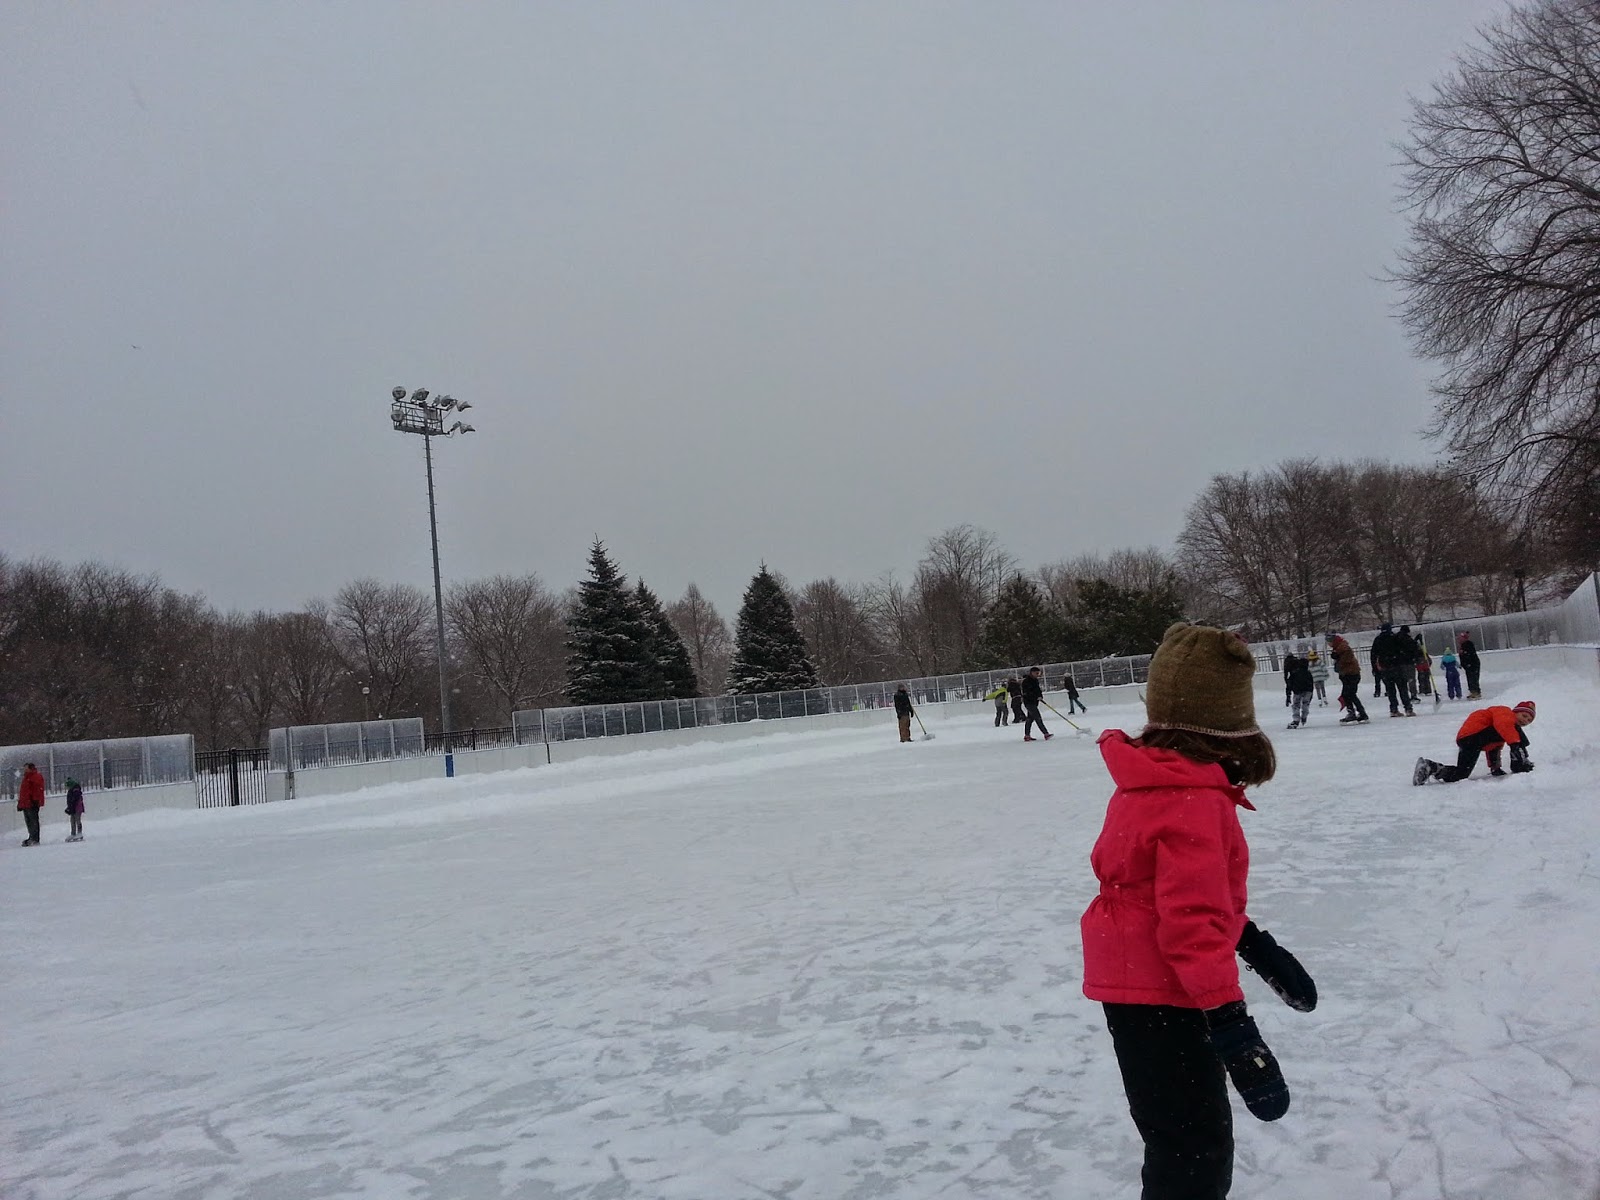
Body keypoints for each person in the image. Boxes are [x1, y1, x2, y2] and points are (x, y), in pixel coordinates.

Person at [1081, 622, 1314, 1199]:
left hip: (1133, 985)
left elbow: (1161, 890)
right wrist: (1231, 1020)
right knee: (1194, 1148)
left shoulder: (1145, 780)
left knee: (1176, 1136)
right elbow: (1187, 923)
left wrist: (1249, 938)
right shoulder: (1194, 801)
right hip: (1167, 990)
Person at [1413, 701, 1535, 784]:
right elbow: (1504, 725)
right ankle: (1522, 761)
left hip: (1468, 741)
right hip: (1474, 734)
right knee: (1514, 731)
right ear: (1515, 711)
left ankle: (1431, 767)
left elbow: (1495, 747)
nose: (1525, 721)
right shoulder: (1505, 712)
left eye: (1529, 720)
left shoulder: (1502, 731)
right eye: (1524, 716)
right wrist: (1515, 746)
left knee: (1462, 774)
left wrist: (1495, 768)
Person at [1370, 622, 1417, 718]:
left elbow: (1373, 655)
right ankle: (1408, 708)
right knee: (1402, 688)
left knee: (1390, 690)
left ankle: (1394, 709)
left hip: (1385, 668)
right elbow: (1406, 647)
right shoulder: (1394, 638)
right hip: (1397, 666)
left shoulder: (1378, 640)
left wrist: (1375, 668)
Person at [1327, 633, 1370, 724]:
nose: (1328, 644)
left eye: (1329, 642)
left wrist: (1337, 659)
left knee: (1348, 694)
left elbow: (1346, 661)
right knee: (1351, 695)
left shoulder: (1342, 649)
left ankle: (1353, 714)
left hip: (1350, 675)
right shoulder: (1339, 648)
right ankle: (1361, 713)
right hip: (1349, 674)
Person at [17, 761, 46, 847]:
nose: (24, 770)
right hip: (26, 803)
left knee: (33, 821)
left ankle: (35, 839)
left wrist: (35, 800)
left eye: (26, 768)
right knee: (29, 821)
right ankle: (31, 837)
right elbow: (23, 792)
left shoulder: (35, 777)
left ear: (30, 768)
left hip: (32, 803)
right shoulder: (26, 778)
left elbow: (37, 790)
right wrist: (20, 803)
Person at [1020, 666, 1053, 742]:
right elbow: (1027, 693)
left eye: (1038, 673)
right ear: (1032, 673)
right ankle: (1046, 733)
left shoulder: (1035, 680)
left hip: (1034, 702)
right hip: (1029, 702)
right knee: (1038, 718)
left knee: (1030, 719)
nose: (1038, 674)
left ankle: (1027, 735)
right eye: (1036, 673)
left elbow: (1038, 690)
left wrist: (1040, 696)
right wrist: (1035, 697)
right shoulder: (1026, 681)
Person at [1284, 651, 1314, 729]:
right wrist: (1311, 694)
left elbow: (1289, 684)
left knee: (1296, 705)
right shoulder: (1308, 673)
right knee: (1305, 703)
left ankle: (1296, 720)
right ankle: (1304, 716)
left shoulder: (1294, 673)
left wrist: (1288, 695)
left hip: (1297, 691)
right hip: (1308, 691)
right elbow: (1311, 683)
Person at [1413, 634, 1440, 706]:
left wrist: (1416, 665)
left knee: (1421, 679)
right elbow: (1429, 660)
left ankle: (1423, 690)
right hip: (1425, 667)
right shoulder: (1423, 653)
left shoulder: (1417, 654)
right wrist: (1428, 664)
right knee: (1426, 679)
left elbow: (1416, 661)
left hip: (1421, 667)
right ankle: (1428, 690)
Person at [1457, 633, 1483, 700]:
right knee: (1470, 678)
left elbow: (1469, 654)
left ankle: (1476, 692)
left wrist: (1465, 656)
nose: (1459, 640)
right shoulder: (1462, 645)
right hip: (1468, 665)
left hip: (1472, 664)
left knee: (1473, 678)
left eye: (1460, 638)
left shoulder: (1468, 644)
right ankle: (1472, 691)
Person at [65, 777, 85, 841]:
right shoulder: (71, 791)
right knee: (72, 821)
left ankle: (79, 832)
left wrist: (70, 807)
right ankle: (73, 833)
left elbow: (74, 800)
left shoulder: (75, 791)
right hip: (73, 808)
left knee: (77, 820)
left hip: (77, 808)